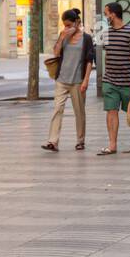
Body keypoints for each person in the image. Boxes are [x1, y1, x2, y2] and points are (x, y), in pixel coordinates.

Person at [43, 8, 95, 152]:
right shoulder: (63, 35)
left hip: (77, 81)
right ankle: (52, 142)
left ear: (77, 23)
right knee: (57, 109)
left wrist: (85, 80)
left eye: (68, 25)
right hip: (62, 79)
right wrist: (61, 37)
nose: (66, 28)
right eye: (64, 25)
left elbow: (89, 61)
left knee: (79, 112)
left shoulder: (86, 38)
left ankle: (80, 141)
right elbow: (56, 52)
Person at [98, 1, 130, 155]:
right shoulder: (105, 33)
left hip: (128, 81)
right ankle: (112, 145)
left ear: (113, 14)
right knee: (111, 110)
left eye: (106, 14)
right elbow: (107, 54)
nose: (105, 17)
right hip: (110, 80)